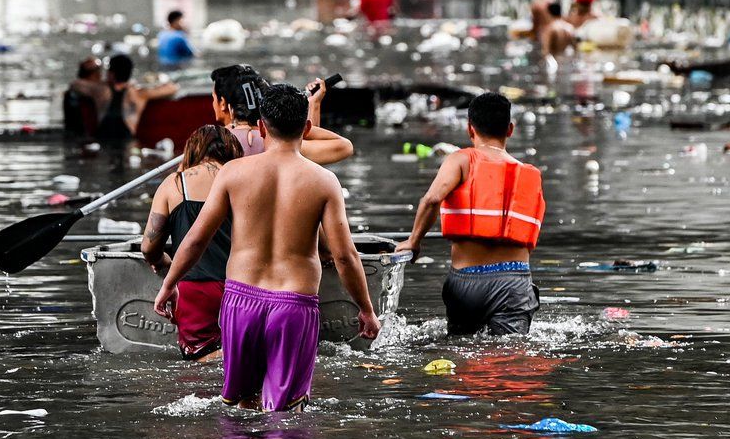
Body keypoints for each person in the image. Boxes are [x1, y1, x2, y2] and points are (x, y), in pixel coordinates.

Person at [155, 83, 380, 412]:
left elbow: (195, 239)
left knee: (241, 406)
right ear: (306, 128)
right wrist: (366, 309)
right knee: (286, 412)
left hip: (240, 301)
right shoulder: (323, 181)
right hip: (294, 305)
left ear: (261, 126)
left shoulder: (233, 172)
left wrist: (169, 283)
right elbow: (344, 256)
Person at [395, 92, 544, 337]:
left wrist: (414, 242)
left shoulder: (461, 160)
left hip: (465, 283)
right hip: (513, 282)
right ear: (510, 129)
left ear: (469, 129)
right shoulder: (529, 174)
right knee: (511, 360)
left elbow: (432, 199)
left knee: (462, 355)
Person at [141, 124, 244, 361]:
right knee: (244, 359)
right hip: (244, 288)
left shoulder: (173, 184)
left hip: (195, 291)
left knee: (200, 368)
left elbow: (149, 246)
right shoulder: (245, 180)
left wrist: (161, 260)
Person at [210, 64, 353, 164]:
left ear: (223, 103)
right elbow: (343, 147)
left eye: (213, 98)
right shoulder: (279, 144)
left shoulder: (211, 143)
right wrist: (305, 111)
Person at [94, 54, 178, 142]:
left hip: (101, 141)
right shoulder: (139, 94)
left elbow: (78, 84)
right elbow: (173, 88)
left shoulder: (100, 90)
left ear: (111, 73)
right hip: (127, 143)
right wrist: (159, 78)